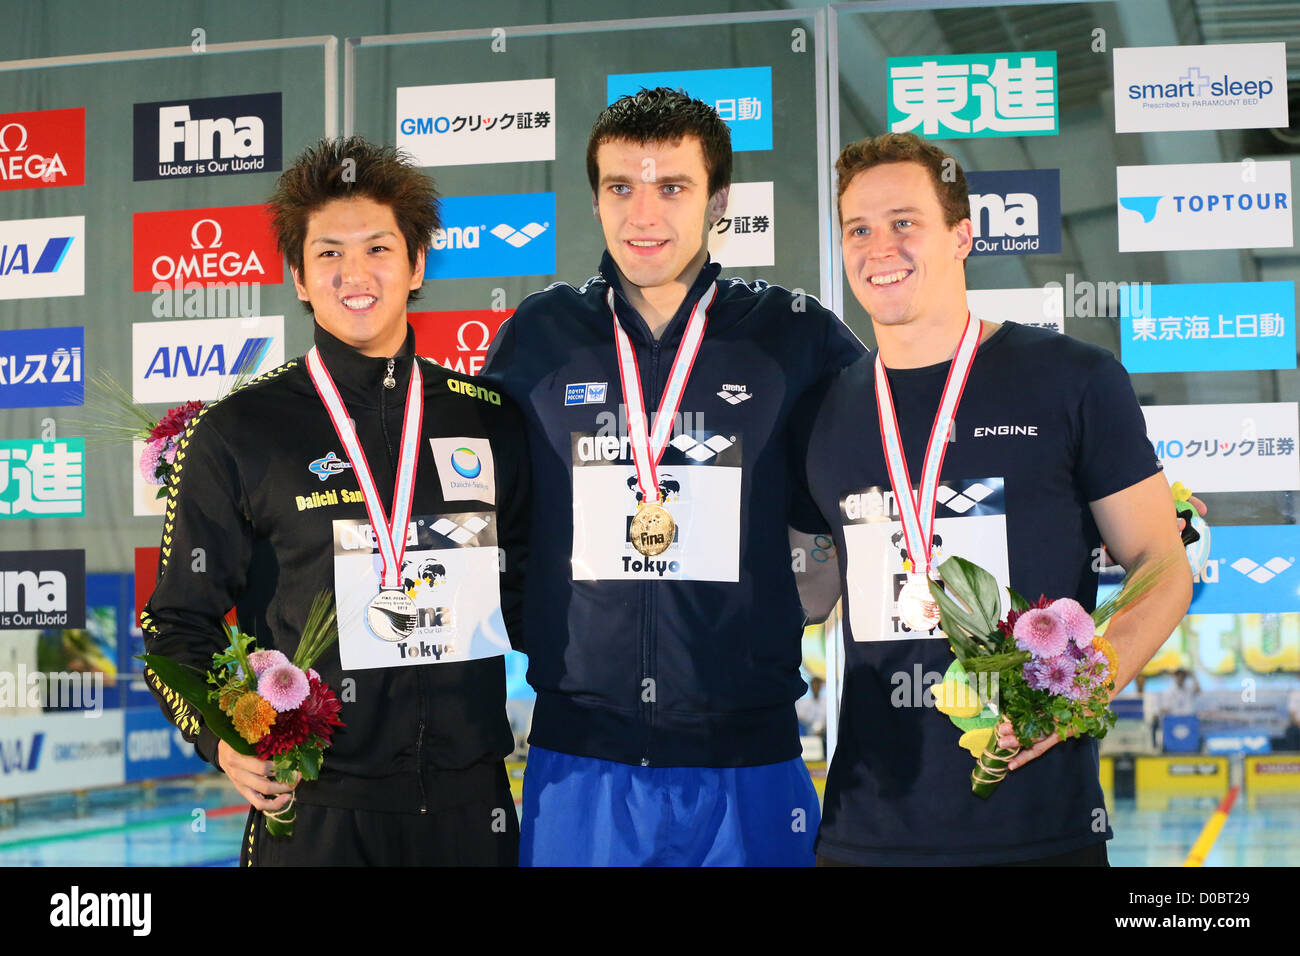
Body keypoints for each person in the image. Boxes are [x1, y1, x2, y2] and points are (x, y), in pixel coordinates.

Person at [482, 88, 864, 866]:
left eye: (672, 187)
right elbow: (484, 508)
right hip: (578, 761)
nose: (643, 213)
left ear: (718, 200)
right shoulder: (538, 336)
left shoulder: (794, 334)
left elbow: (892, 471)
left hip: (749, 757)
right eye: (621, 187)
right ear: (595, 199)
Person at [790, 132, 1193, 865]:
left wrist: (1079, 693)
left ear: (962, 236)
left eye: (905, 222)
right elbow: (808, 583)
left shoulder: (1072, 379)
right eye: (859, 228)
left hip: (1038, 827)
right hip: (864, 831)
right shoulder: (820, 412)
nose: (879, 246)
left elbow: (1162, 564)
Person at [141, 137, 529, 866]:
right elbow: (176, 622)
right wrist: (219, 739)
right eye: (328, 254)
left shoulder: (489, 417)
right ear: (297, 275)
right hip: (317, 811)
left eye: (379, 249)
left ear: (417, 265)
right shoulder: (239, 431)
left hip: (470, 808)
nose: (356, 273)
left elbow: (540, 589)